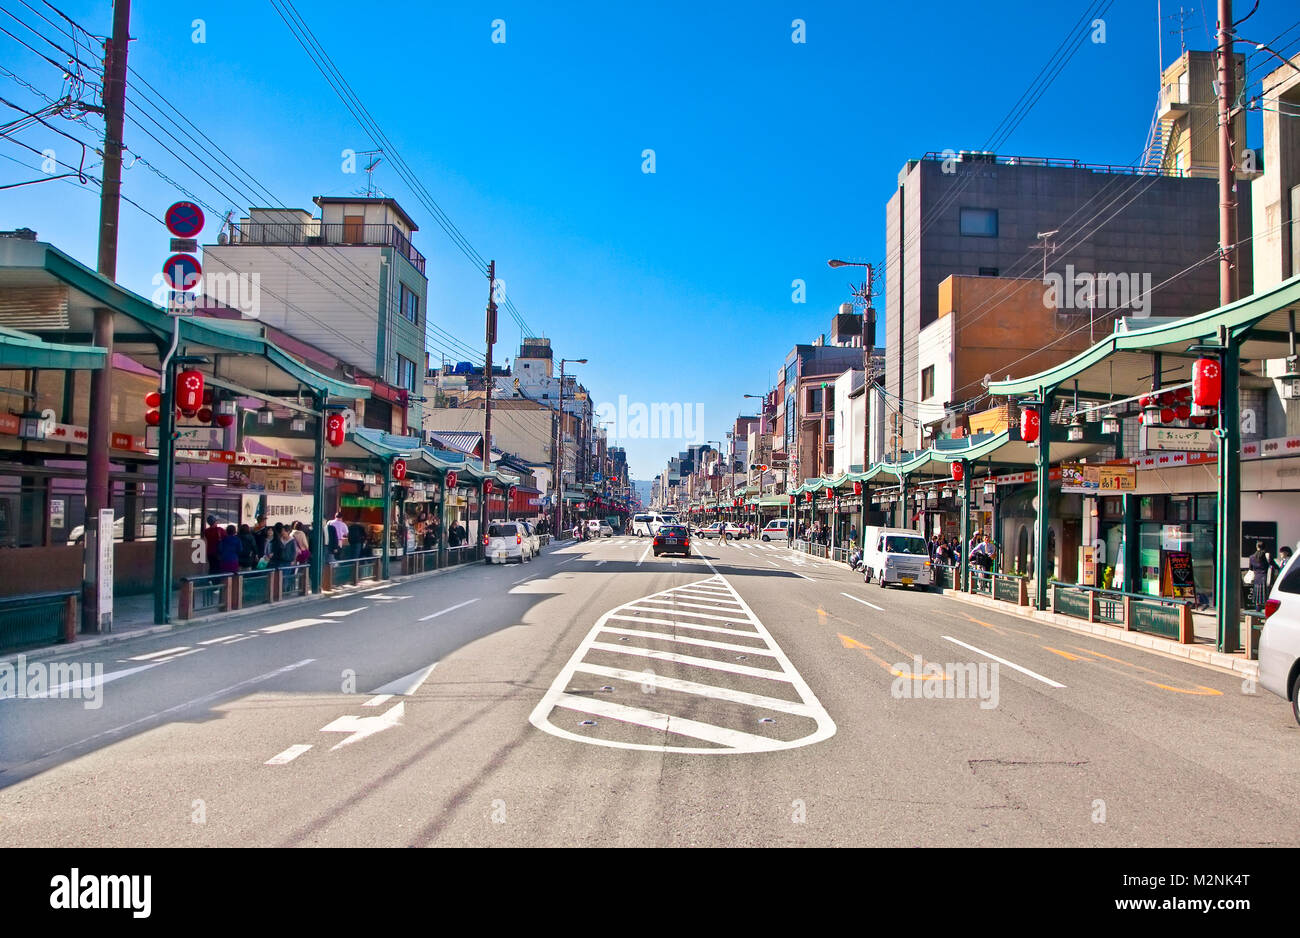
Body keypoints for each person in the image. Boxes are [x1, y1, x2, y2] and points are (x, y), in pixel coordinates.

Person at [1248, 541, 1272, 610]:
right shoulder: (1267, 556)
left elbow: (1251, 568)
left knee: (1257, 599)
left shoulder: (1251, 557)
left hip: (1257, 578)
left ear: (1257, 547)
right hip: (1265, 578)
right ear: (1265, 547)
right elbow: (1274, 566)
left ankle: (1257, 611)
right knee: (1266, 598)